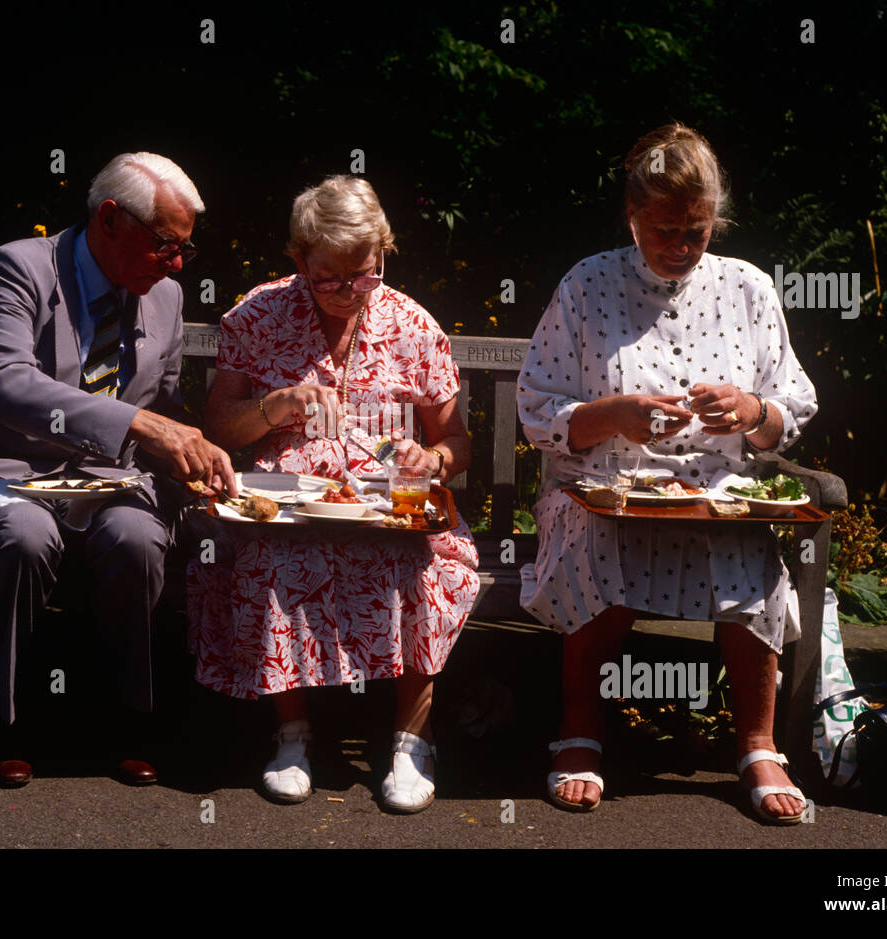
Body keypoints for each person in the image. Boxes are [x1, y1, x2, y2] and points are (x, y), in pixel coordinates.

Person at [517, 124, 819, 823]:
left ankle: (757, 743)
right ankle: (581, 732)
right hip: (603, 484)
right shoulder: (588, 284)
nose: (680, 247)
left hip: (716, 493)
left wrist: (748, 410)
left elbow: (792, 407)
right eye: (663, 230)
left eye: (696, 230)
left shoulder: (747, 288)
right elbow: (537, 409)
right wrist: (611, 414)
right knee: (600, 539)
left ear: (717, 219)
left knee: (751, 550)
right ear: (632, 216)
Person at [0, 152, 236, 789]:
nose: (177, 264)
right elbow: (3, 382)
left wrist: (192, 450)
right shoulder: (21, 266)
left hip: (111, 477)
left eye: (185, 249)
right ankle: (3, 722)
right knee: (23, 537)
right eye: (165, 245)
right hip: (10, 464)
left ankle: (124, 718)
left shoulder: (167, 296)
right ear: (109, 219)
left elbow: (164, 405)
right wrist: (132, 422)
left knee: (139, 539)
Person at [187, 175, 479, 813]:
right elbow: (218, 427)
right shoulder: (259, 313)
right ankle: (291, 735)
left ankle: (411, 740)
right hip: (284, 504)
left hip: (386, 504)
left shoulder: (414, 325)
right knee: (271, 561)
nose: (350, 292)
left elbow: (456, 441)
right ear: (298, 259)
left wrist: (430, 459)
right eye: (331, 278)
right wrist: (274, 405)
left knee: (421, 563)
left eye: (366, 274)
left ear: (384, 255)